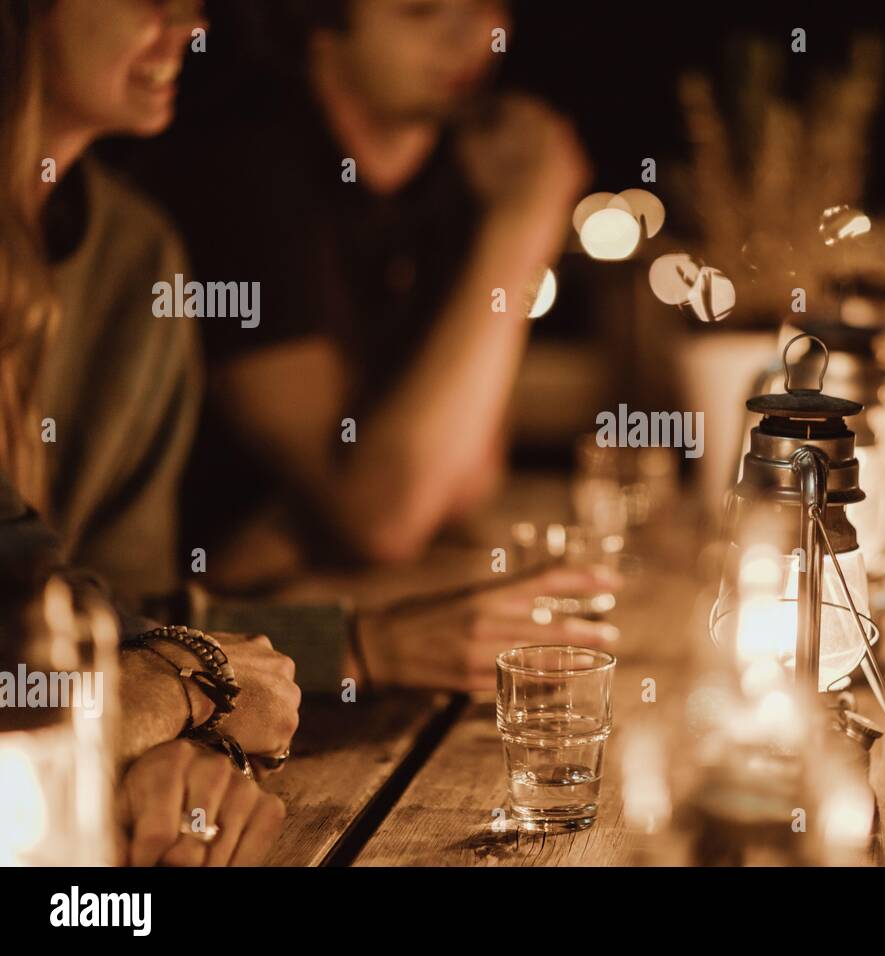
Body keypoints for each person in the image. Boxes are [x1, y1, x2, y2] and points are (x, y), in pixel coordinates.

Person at [122, 0, 619, 692]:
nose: (469, 37)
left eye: (483, 6)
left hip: (330, 621)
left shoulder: (448, 178)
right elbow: (384, 518)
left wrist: (330, 512)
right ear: (319, 23)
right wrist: (525, 219)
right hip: (206, 668)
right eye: (420, 11)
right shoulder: (244, 173)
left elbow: (466, 481)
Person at [0, 0, 296, 863]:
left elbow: (126, 612)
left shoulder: (136, 252)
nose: (188, 27)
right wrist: (182, 685)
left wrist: (167, 749)